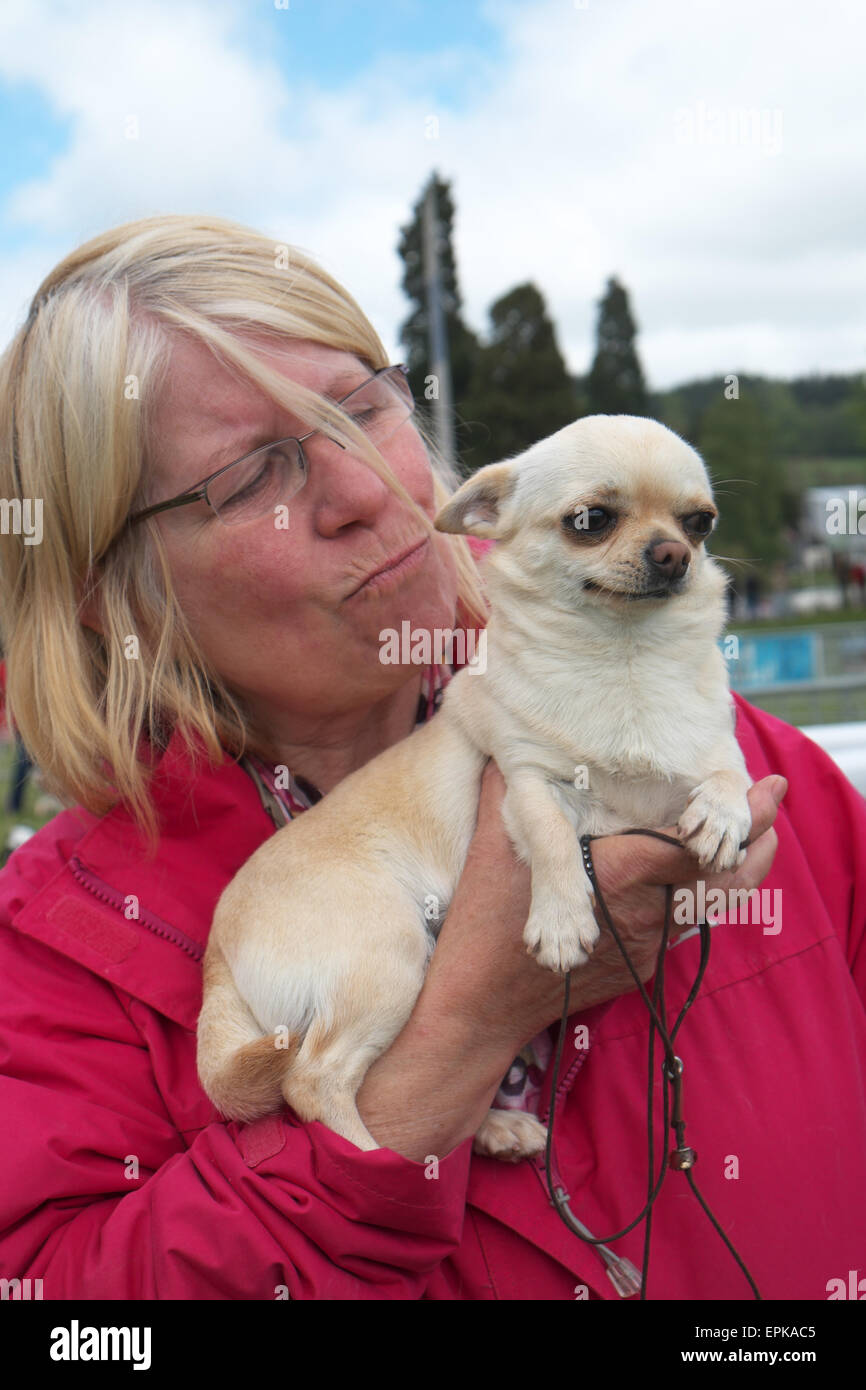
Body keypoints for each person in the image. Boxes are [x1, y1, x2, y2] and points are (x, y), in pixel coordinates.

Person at [0, 215, 863, 1303]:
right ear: (104, 586)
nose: (364, 485)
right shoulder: (58, 956)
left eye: (363, 404)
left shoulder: (745, 765)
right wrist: (456, 1038)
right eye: (249, 474)